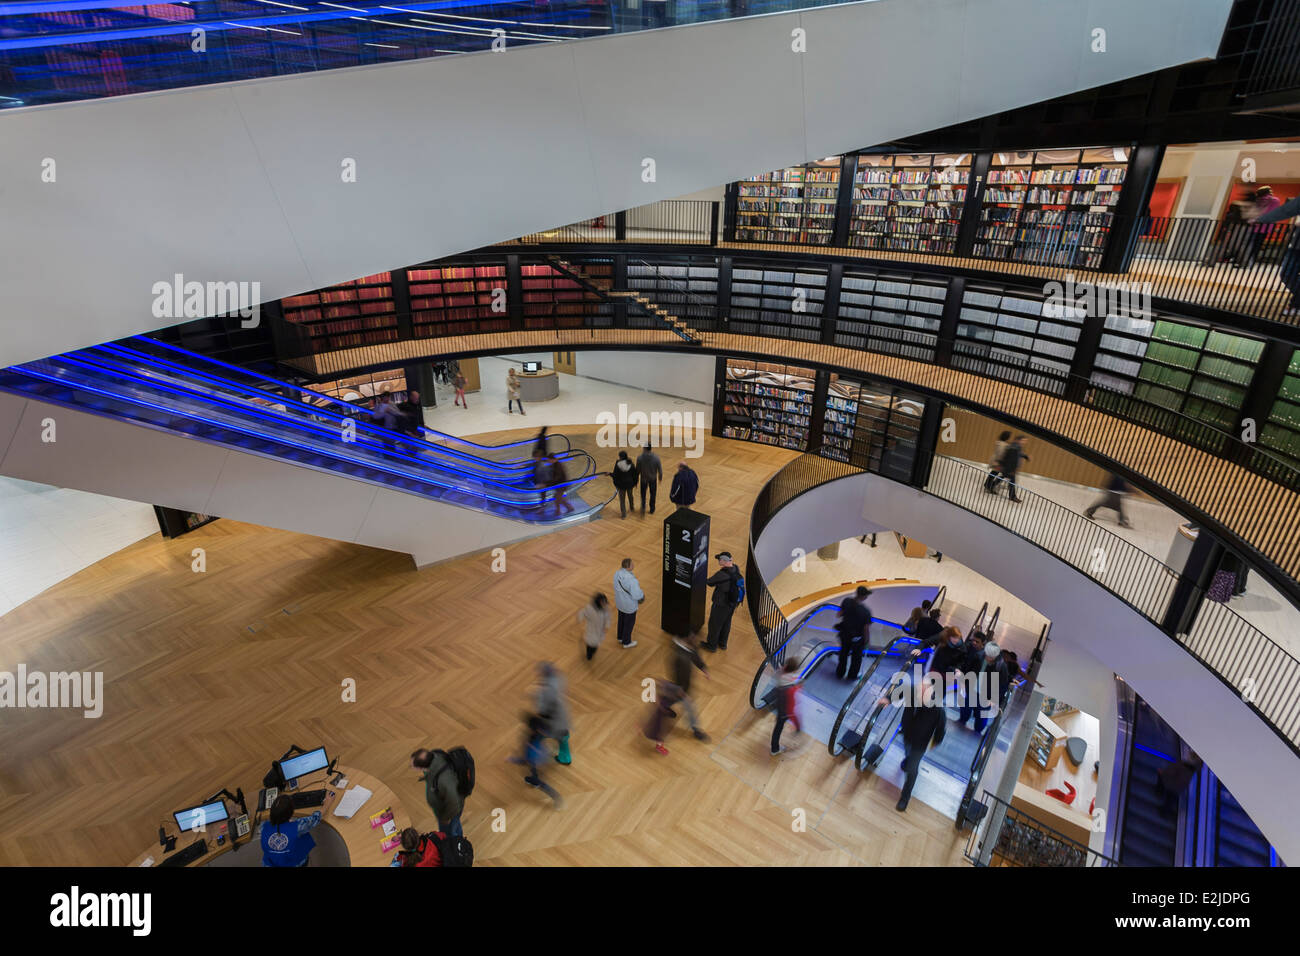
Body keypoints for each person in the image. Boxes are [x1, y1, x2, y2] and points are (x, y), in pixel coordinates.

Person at [892, 667, 947, 812]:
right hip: (907, 736)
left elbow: (941, 730)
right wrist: (887, 698)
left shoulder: (938, 709)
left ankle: (905, 798)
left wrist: (936, 741)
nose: (919, 691)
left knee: (912, 769)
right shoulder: (912, 693)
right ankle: (907, 759)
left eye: (923, 689)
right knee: (907, 753)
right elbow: (898, 692)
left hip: (920, 744)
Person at [1250, 192, 1300, 315]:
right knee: (1286, 274)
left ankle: (1296, 304)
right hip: (1296, 244)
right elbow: (1286, 210)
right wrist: (1261, 219)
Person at [261, 793, 332, 867]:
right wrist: (327, 804)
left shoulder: (263, 826)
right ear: (291, 813)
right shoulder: (298, 827)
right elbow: (315, 818)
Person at [510, 715, 563, 809]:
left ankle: (556, 797)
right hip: (541, 759)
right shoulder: (541, 733)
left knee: (540, 782)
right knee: (532, 776)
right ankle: (530, 779)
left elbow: (526, 760)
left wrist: (513, 760)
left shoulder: (530, 742)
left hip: (536, 763)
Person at [411, 748, 466, 838]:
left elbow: (454, 802)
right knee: (455, 825)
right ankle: (458, 836)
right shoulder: (434, 759)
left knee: (449, 833)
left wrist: (446, 818)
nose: (412, 766)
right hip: (447, 810)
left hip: (448, 814)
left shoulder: (444, 781)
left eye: (413, 766)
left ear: (422, 767)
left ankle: (455, 845)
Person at [669, 632, 711, 742]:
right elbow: (678, 675)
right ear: (686, 641)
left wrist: (703, 668)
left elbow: (695, 655)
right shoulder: (679, 657)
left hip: (681, 687)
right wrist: (682, 692)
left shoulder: (689, 646)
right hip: (681, 687)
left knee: (670, 698)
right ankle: (696, 730)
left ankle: (664, 707)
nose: (696, 642)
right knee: (690, 708)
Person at [701, 552, 742, 652]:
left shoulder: (722, 574)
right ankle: (722, 644)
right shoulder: (736, 568)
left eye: (719, 559)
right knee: (726, 622)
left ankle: (711, 646)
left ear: (724, 561)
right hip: (732, 603)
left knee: (714, 624)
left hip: (721, 604)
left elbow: (709, 582)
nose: (718, 561)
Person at [1204, 191, 1256, 266]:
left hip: (1235, 227)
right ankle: (1245, 263)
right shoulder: (1252, 205)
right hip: (1245, 227)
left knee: (1225, 245)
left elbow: (1233, 216)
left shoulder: (1238, 205)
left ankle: (1211, 261)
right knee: (1242, 246)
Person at [534, 661, 572, 765]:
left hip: (552, 720)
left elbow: (543, 708)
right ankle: (565, 758)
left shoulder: (546, 689)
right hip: (562, 717)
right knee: (563, 739)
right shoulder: (559, 680)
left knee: (539, 735)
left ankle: (537, 755)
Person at [833, 586, 872, 681]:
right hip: (857, 639)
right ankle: (852, 676)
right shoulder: (866, 612)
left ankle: (840, 673)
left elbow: (838, 615)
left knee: (843, 654)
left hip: (844, 634)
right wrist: (867, 641)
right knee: (856, 658)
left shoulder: (846, 601)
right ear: (864, 597)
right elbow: (865, 628)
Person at [1243, 186, 1283, 268]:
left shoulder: (1257, 200)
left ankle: (1245, 260)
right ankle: (1251, 262)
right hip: (1266, 226)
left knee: (1249, 244)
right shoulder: (1275, 201)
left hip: (1254, 225)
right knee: (1258, 245)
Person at [1155, 750, 1202, 818]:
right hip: (1177, 788)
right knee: (1169, 801)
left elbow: (1171, 773)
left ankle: (1159, 794)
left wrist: (1163, 773)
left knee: (1168, 798)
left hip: (1172, 785)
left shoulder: (1183, 767)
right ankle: (1163, 812)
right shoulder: (1192, 769)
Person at [770, 658, 802, 755]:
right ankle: (774, 749)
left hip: (779, 705)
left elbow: (779, 675)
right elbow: (791, 703)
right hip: (785, 710)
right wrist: (798, 685)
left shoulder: (781, 674)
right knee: (778, 728)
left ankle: (797, 728)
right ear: (794, 670)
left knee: (778, 726)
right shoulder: (790, 685)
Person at [644, 679, 683, 756]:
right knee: (659, 734)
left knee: (659, 733)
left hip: (662, 712)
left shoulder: (665, 697)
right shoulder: (662, 704)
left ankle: (659, 745)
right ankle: (659, 746)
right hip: (660, 716)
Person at [613, 557, 645, 648]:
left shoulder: (617, 574)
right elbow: (636, 595)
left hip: (620, 602)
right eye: (632, 564)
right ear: (628, 566)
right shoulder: (631, 580)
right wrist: (642, 596)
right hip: (629, 605)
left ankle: (620, 637)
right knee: (629, 623)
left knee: (621, 620)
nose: (634, 565)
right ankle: (626, 642)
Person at [578, 592, 611, 662]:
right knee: (590, 644)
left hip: (600, 630)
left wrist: (607, 626)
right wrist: (580, 621)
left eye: (605, 602)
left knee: (596, 644)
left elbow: (608, 618)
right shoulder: (590, 608)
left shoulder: (606, 609)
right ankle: (589, 654)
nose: (604, 604)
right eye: (603, 602)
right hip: (591, 629)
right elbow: (582, 613)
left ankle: (593, 650)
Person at [998, 435, 1029, 502]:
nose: (1024, 442)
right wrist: (1012, 469)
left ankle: (990, 485)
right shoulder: (1015, 447)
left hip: (1007, 468)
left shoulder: (1015, 446)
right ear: (1018, 440)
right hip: (1010, 468)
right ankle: (1012, 497)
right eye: (1023, 440)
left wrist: (1026, 457)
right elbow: (1011, 459)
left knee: (1004, 477)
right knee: (1012, 482)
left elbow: (1020, 454)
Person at [611, 450, 640, 518]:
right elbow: (635, 475)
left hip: (621, 485)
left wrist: (609, 474)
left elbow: (615, 475)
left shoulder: (618, 464)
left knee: (622, 500)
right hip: (630, 484)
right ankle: (632, 507)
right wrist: (635, 483)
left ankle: (624, 514)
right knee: (630, 496)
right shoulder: (631, 464)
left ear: (620, 457)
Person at [637, 443, 663, 515]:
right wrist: (660, 478)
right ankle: (652, 509)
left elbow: (637, 470)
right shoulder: (656, 458)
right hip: (653, 479)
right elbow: (660, 470)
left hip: (643, 479)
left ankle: (643, 507)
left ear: (644, 448)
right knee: (653, 494)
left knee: (643, 494)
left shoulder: (640, 458)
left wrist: (636, 480)